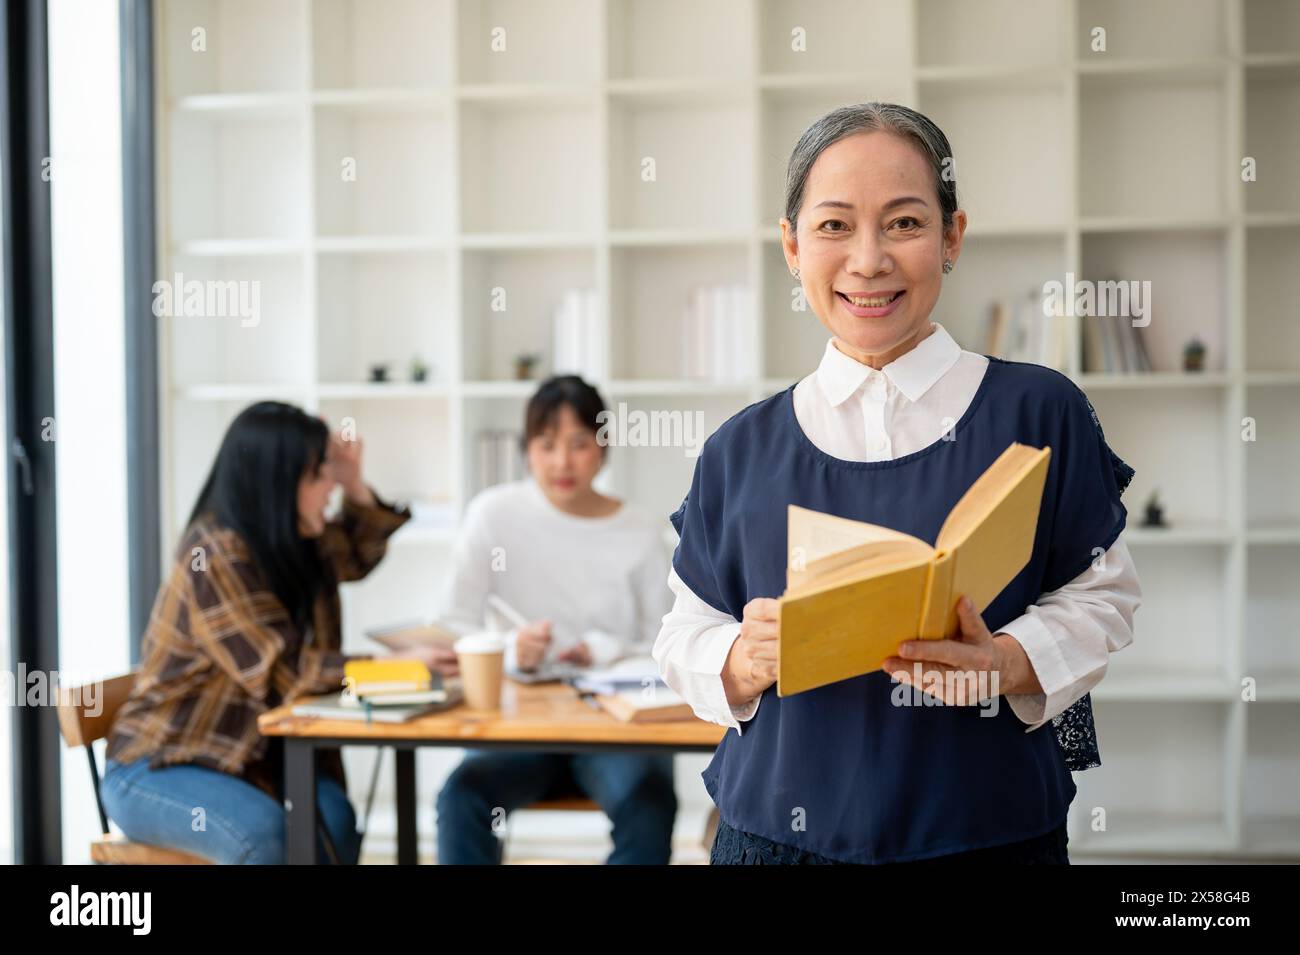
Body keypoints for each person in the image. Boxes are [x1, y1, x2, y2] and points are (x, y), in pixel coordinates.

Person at [654, 103, 1143, 865]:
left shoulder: (1041, 410)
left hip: (989, 838)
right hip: (778, 844)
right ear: (791, 246)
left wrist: (1007, 660)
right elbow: (682, 634)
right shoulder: (737, 449)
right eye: (834, 226)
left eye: (905, 223)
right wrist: (742, 657)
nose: (869, 259)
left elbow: (1103, 597)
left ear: (951, 237)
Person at [102, 401, 456, 863]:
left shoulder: (297, 537)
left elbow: (358, 553)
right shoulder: (213, 556)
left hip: (251, 764)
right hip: (164, 763)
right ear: (275, 482)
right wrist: (393, 670)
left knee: (334, 821)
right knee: (264, 836)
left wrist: (352, 482)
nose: (329, 489)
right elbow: (286, 673)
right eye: (318, 476)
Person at [435, 375, 678, 864]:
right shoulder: (494, 515)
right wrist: (508, 651)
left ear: (603, 448)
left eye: (579, 444)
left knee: (649, 801)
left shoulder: (642, 530)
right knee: (462, 797)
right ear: (527, 450)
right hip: (517, 727)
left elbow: (670, 639)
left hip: (615, 727)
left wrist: (602, 648)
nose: (562, 462)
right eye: (546, 445)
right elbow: (450, 627)